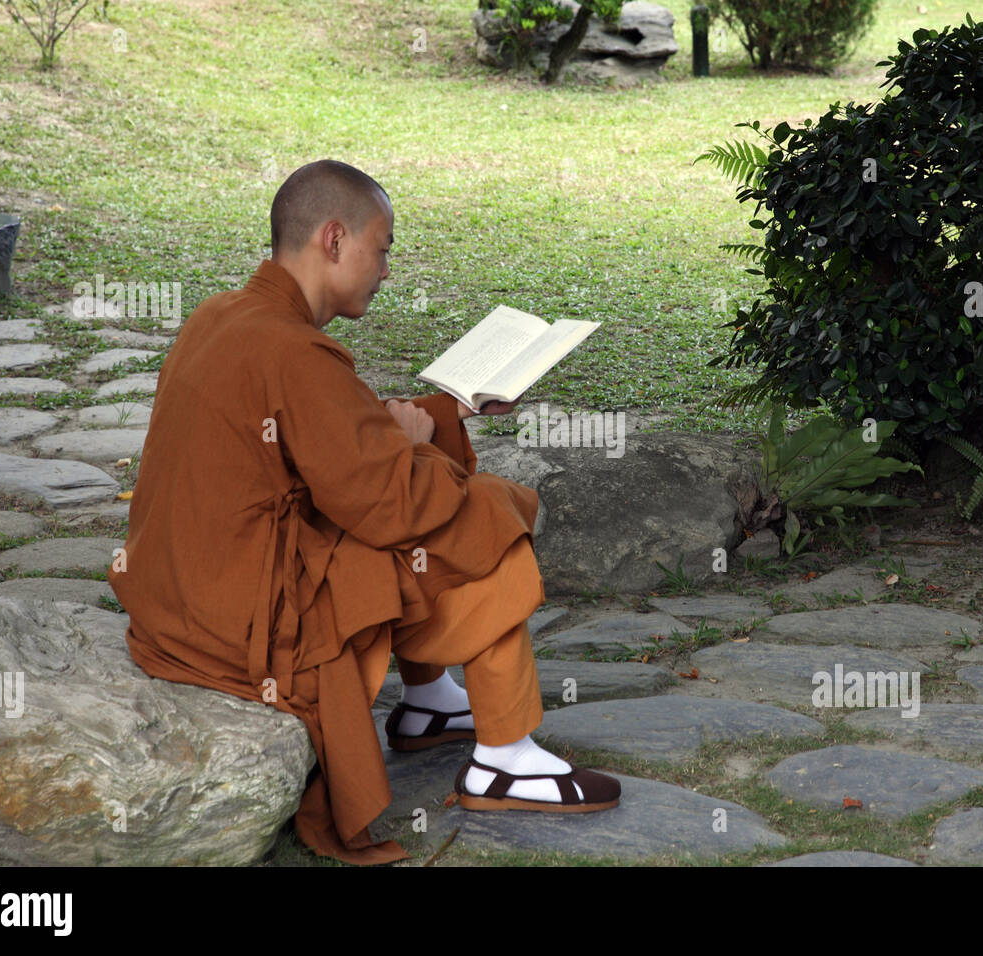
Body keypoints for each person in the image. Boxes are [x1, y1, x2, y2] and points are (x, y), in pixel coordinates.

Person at [109, 159, 620, 866]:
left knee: (444, 507)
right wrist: (433, 459)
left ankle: (431, 700)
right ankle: (505, 757)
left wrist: (447, 414)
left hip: (181, 596)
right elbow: (389, 502)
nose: (386, 270)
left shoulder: (225, 314)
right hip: (235, 623)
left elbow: (328, 446)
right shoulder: (293, 350)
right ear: (332, 240)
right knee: (484, 522)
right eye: (381, 249)